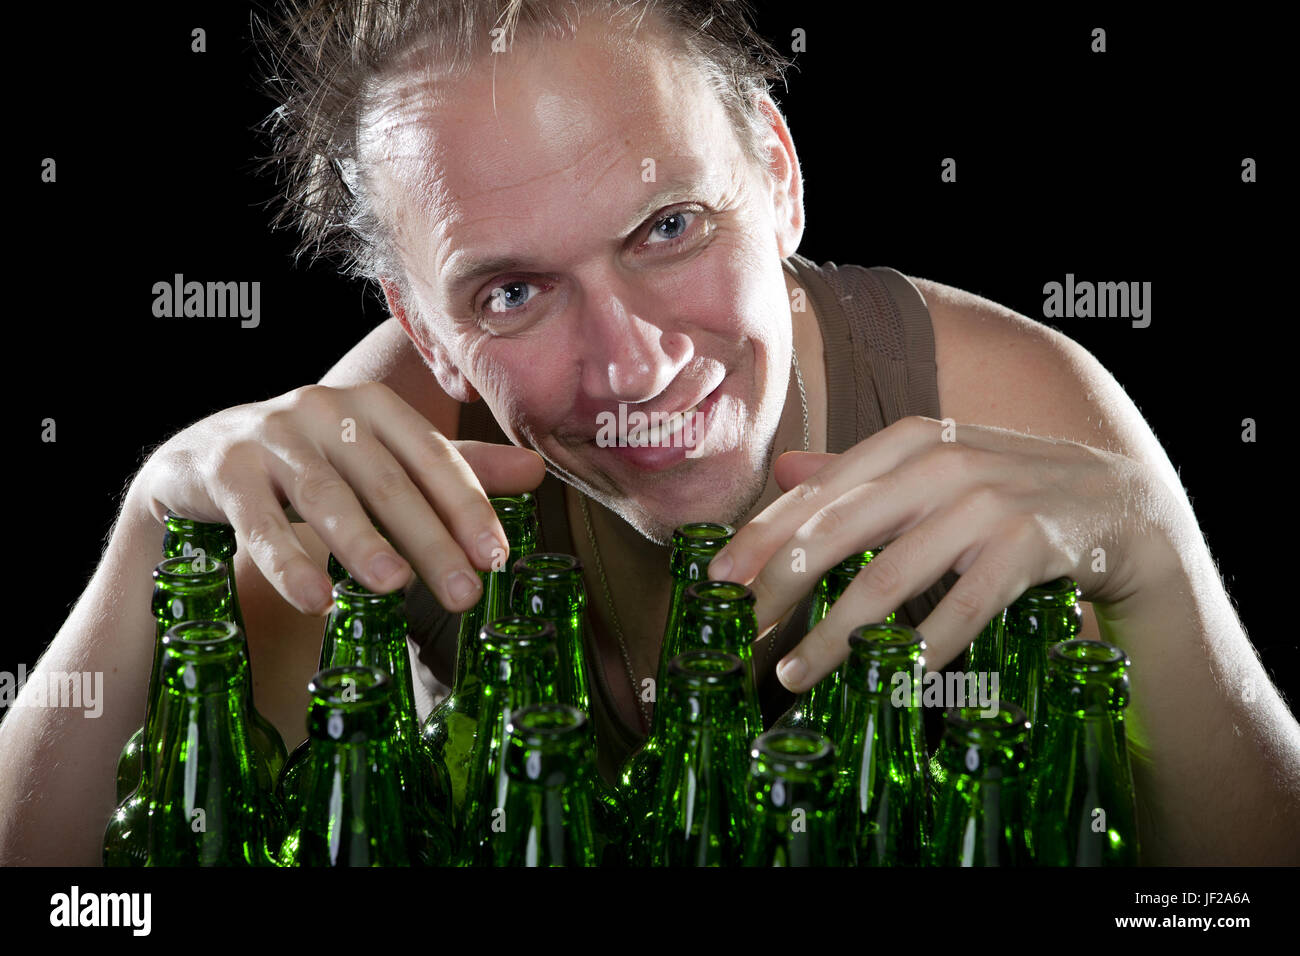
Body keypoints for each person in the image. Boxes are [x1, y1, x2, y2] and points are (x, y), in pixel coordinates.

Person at [1, 0, 1296, 866]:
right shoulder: (374, 457)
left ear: (778, 178)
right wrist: (147, 537)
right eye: (511, 293)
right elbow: (69, 882)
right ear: (425, 326)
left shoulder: (1005, 404)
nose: (632, 362)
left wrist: (1158, 574)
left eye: (668, 227)